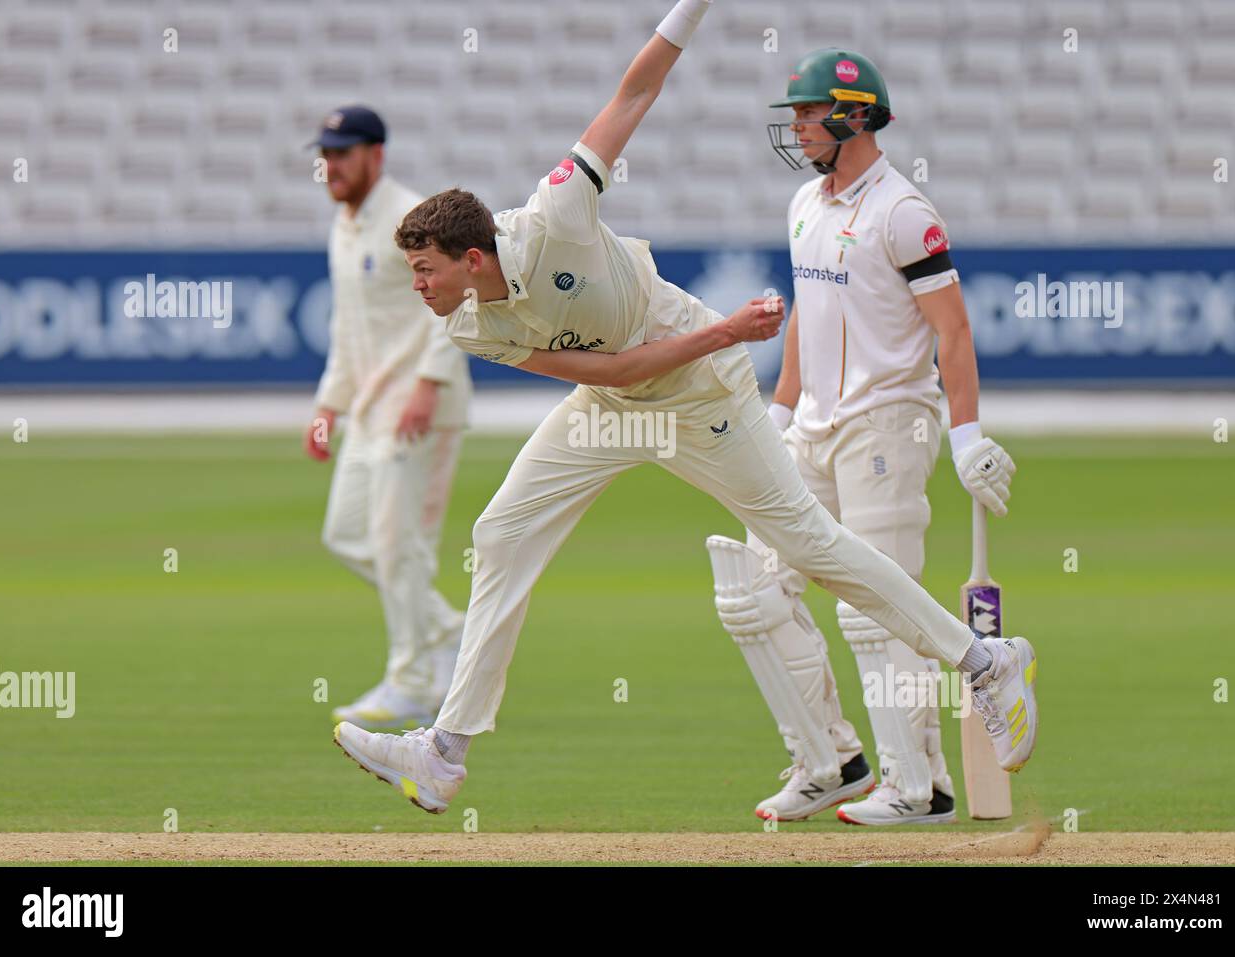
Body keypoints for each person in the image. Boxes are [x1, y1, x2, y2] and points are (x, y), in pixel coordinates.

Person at [331, 1, 1037, 815]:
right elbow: (614, 369)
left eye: (424, 269)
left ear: (472, 256)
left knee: (810, 543)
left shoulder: (558, 212)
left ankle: (985, 661)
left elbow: (634, 93)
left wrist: (690, 9)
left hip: (702, 391)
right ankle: (445, 754)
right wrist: (730, 329)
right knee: (500, 532)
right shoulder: (465, 322)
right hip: (617, 396)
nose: (417, 285)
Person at [708, 48, 1018, 826]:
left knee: (876, 608)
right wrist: (779, 417)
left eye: (811, 113)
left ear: (855, 115)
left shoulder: (904, 212)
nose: (799, 127)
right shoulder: (804, 204)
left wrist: (966, 437)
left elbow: (953, 330)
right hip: (812, 428)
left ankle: (921, 786)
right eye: (796, 114)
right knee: (752, 591)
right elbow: (807, 326)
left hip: (887, 426)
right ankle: (830, 760)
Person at [304, 105, 472, 729]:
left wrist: (429, 383)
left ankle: (411, 683)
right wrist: (328, 405)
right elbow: (347, 328)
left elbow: (457, 302)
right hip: (369, 410)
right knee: (347, 534)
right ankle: (448, 630)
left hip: (419, 408)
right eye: (326, 154)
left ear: (376, 155)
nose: (332, 165)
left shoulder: (413, 218)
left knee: (400, 549)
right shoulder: (343, 227)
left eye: (343, 153)